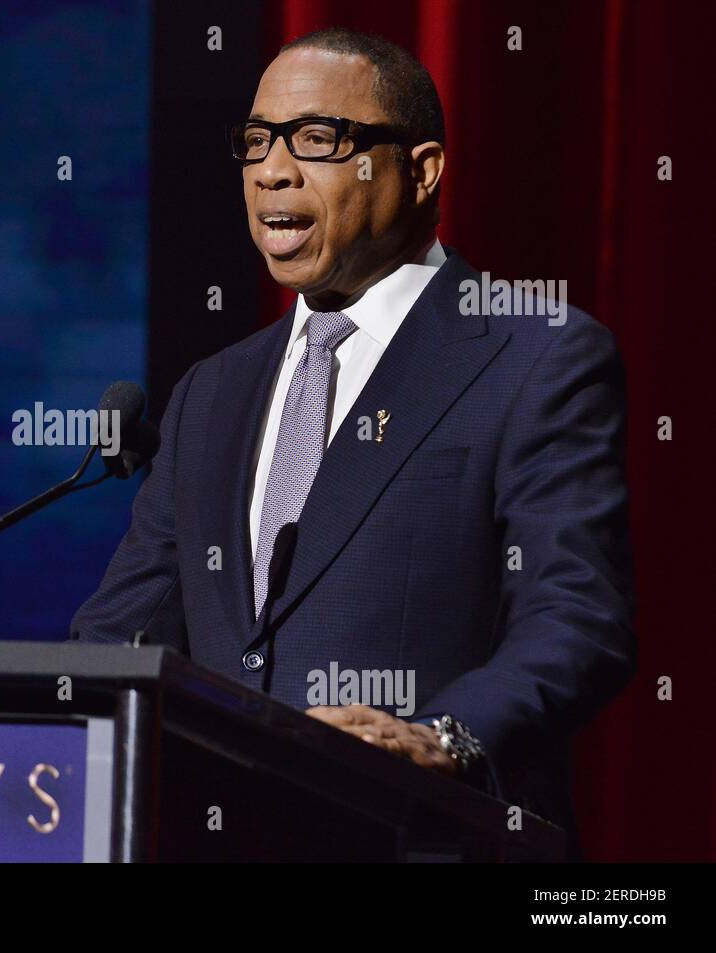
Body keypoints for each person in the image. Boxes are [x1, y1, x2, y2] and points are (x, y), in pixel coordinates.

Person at [70, 28, 634, 844]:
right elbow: (123, 634)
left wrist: (444, 736)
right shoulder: (213, 392)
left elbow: (578, 618)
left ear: (423, 171)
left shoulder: (536, 354)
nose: (273, 169)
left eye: (320, 139)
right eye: (257, 141)